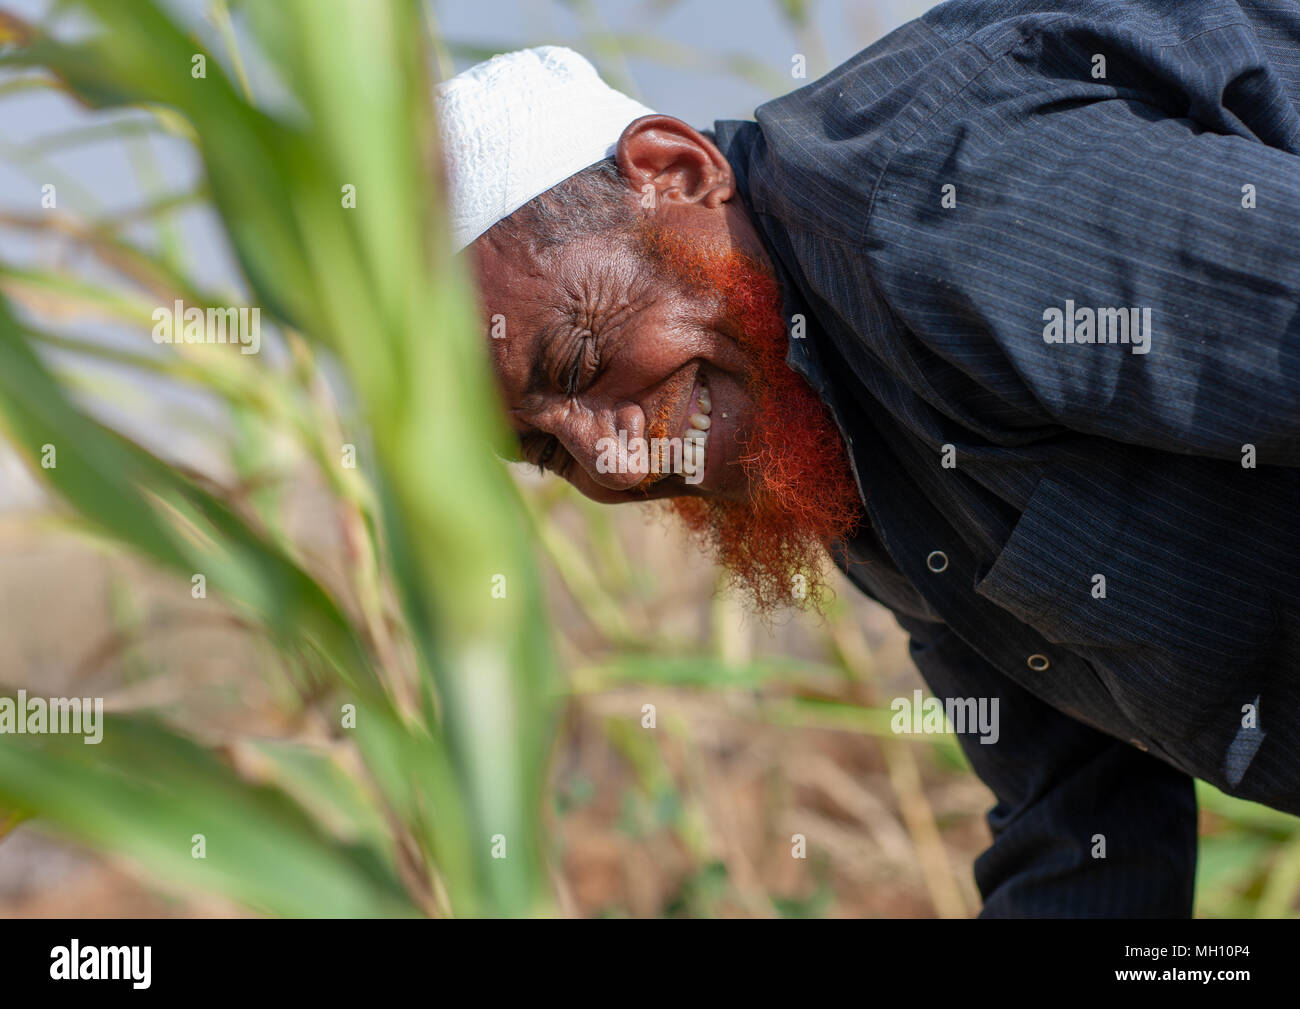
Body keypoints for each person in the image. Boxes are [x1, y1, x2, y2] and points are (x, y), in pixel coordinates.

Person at [436, 0, 1300, 916]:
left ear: (676, 172)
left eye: (578, 361)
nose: (608, 464)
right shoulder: (822, 433)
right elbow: (1085, 828)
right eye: (539, 449)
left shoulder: (944, 212)